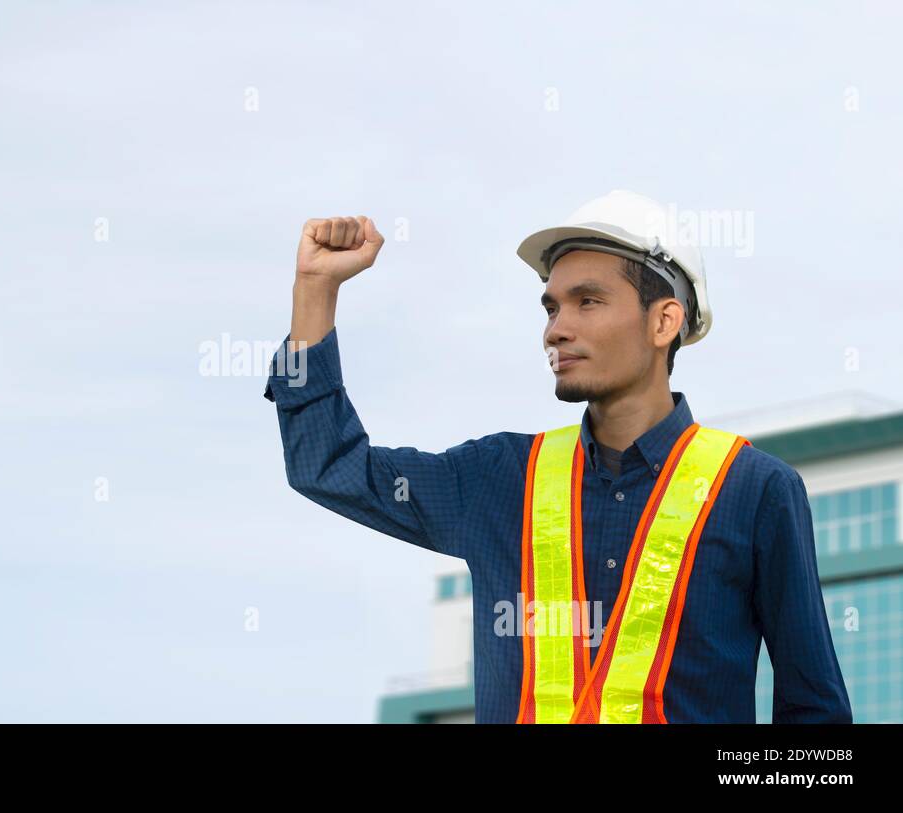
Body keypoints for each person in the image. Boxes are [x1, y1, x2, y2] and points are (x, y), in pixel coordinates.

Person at [263, 190, 852, 723]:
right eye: (551, 309)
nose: (556, 330)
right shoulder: (498, 479)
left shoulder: (755, 490)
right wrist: (315, 292)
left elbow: (814, 715)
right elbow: (329, 466)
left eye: (587, 302)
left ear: (663, 321)